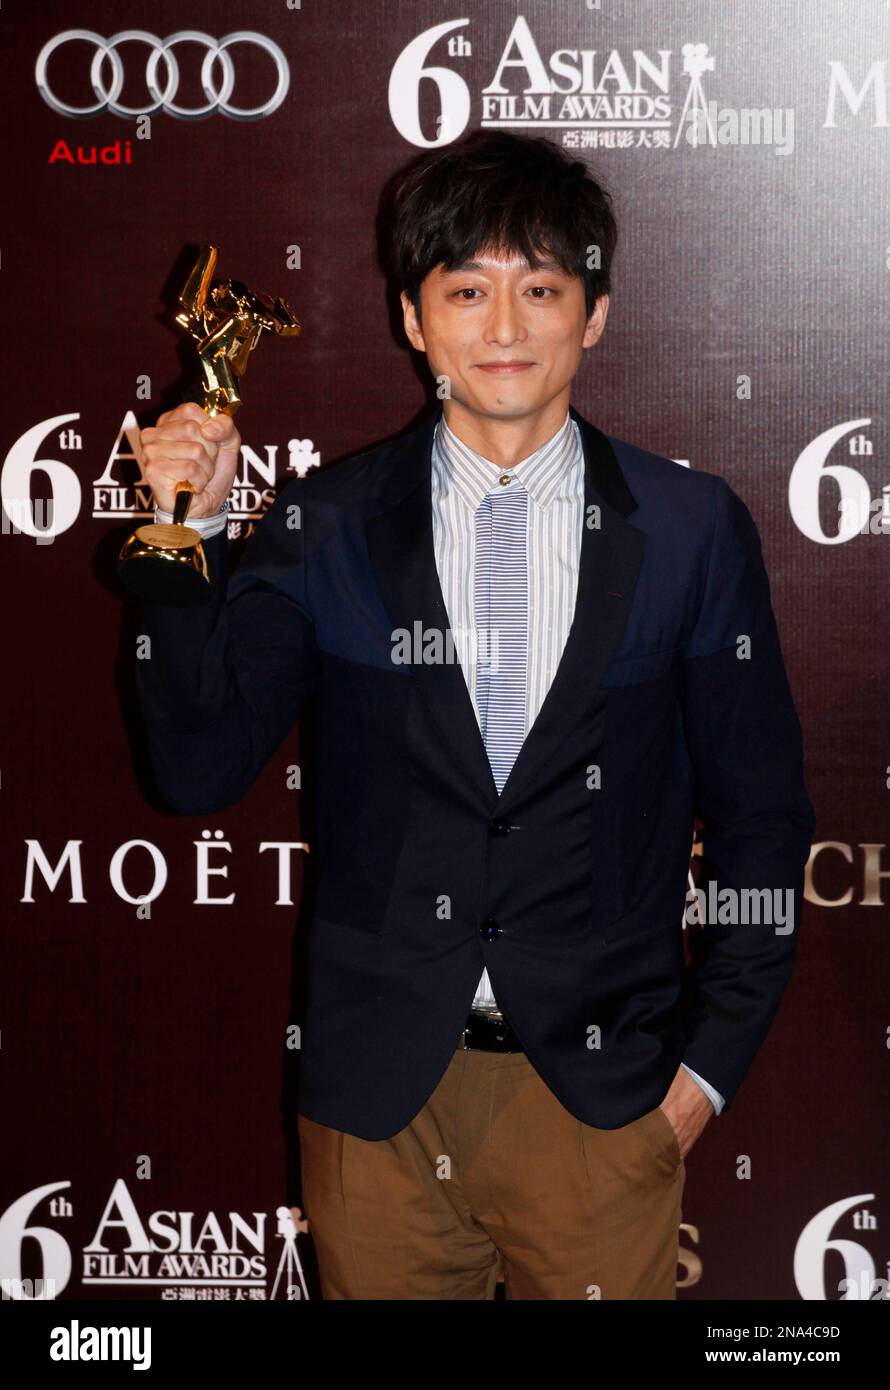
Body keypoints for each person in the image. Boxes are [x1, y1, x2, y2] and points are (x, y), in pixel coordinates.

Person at [134, 130, 815, 1300]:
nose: (503, 325)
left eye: (540, 287)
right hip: (377, 1109)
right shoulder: (324, 525)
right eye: (465, 289)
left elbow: (760, 821)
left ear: (592, 313)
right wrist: (186, 533)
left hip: (604, 1102)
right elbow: (196, 770)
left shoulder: (691, 529)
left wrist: (704, 1074)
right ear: (412, 318)